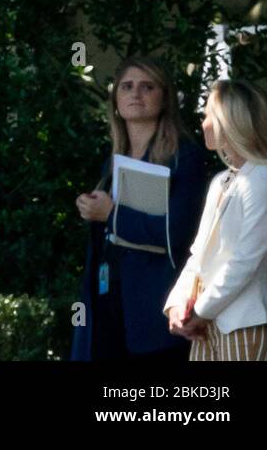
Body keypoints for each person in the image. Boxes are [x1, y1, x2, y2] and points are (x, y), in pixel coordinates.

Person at [70, 55, 209, 361]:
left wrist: (111, 214)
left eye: (148, 86)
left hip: (158, 309)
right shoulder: (112, 161)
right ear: (116, 101)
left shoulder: (184, 158)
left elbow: (178, 236)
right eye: (127, 86)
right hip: (109, 303)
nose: (136, 93)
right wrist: (91, 209)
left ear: (164, 99)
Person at [165, 79, 267, 361]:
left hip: (244, 323)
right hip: (209, 325)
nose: (203, 123)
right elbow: (199, 254)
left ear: (229, 121)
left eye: (207, 115)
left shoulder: (264, 179)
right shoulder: (222, 180)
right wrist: (177, 305)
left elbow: (246, 260)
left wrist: (200, 311)